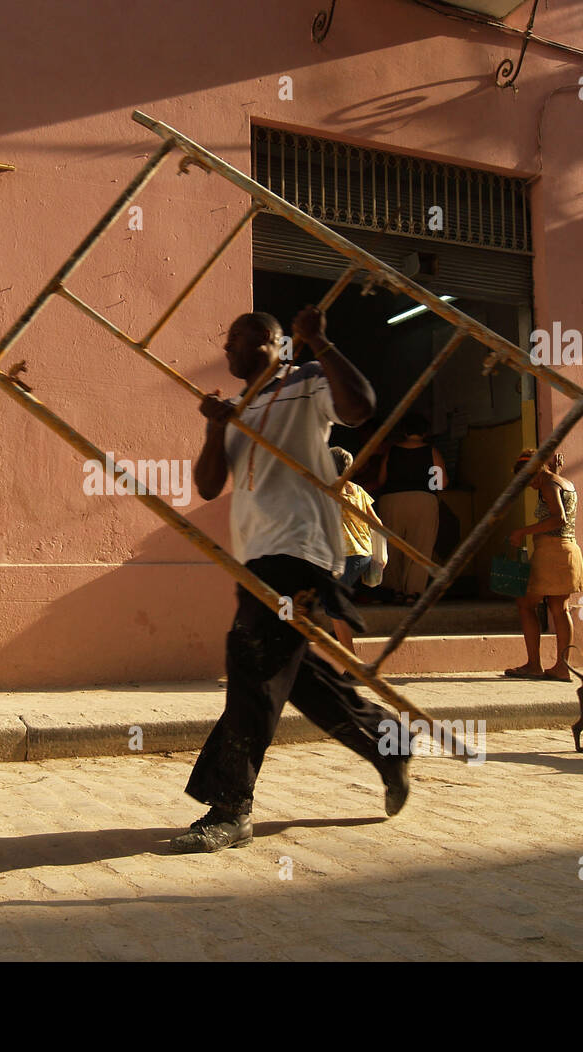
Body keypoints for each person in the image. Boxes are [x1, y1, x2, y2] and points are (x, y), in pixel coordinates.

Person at [172, 307, 412, 853]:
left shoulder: (306, 384)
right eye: (229, 339)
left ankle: (232, 805)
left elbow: (362, 407)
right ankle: (386, 743)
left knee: (253, 663)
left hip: (303, 552)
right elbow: (209, 487)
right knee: (290, 674)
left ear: (279, 346)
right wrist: (215, 430)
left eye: (249, 340)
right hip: (254, 557)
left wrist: (322, 344)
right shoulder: (235, 409)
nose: (233, 348)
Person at [503, 450, 583, 682]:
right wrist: (552, 472)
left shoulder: (548, 485)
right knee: (561, 609)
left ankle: (533, 664)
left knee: (525, 604)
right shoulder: (560, 482)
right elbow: (555, 497)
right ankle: (562, 667)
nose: (527, 486)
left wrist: (523, 531)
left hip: (551, 552)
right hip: (568, 551)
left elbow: (558, 518)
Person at [376, 412, 447, 604]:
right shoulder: (431, 451)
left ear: (404, 431)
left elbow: (381, 479)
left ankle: (394, 590)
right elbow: (441, 482)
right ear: (425, 432)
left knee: (392, 546)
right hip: (423, 500)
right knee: (420, 547)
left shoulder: (392, 451)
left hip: (392, 501)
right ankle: (412, 592)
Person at [328, 445, 383, 656]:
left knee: (335, 605)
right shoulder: (357, 489)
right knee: (334, 601)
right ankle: (340, 633)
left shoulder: (327, 489)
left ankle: (350, 659)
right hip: (363, 554)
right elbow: (376, 522)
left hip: (346, 555)